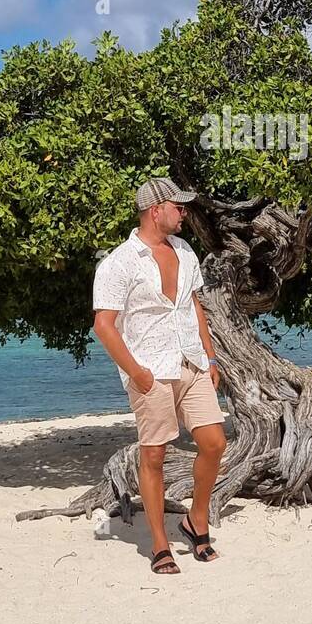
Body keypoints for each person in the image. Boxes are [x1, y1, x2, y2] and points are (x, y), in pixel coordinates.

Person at [92, 178, 227, 575]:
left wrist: (211, 355)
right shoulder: (119, 261)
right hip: (151, 369)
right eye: (178, 207)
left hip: (192, 362)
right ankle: (160, 543)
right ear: (156, 210)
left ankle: (195, 520)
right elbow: (104, 325)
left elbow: (194, 305)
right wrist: (136, 372)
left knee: (214, 442)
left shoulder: (185, 252)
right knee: (154, 454)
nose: (184, 213)